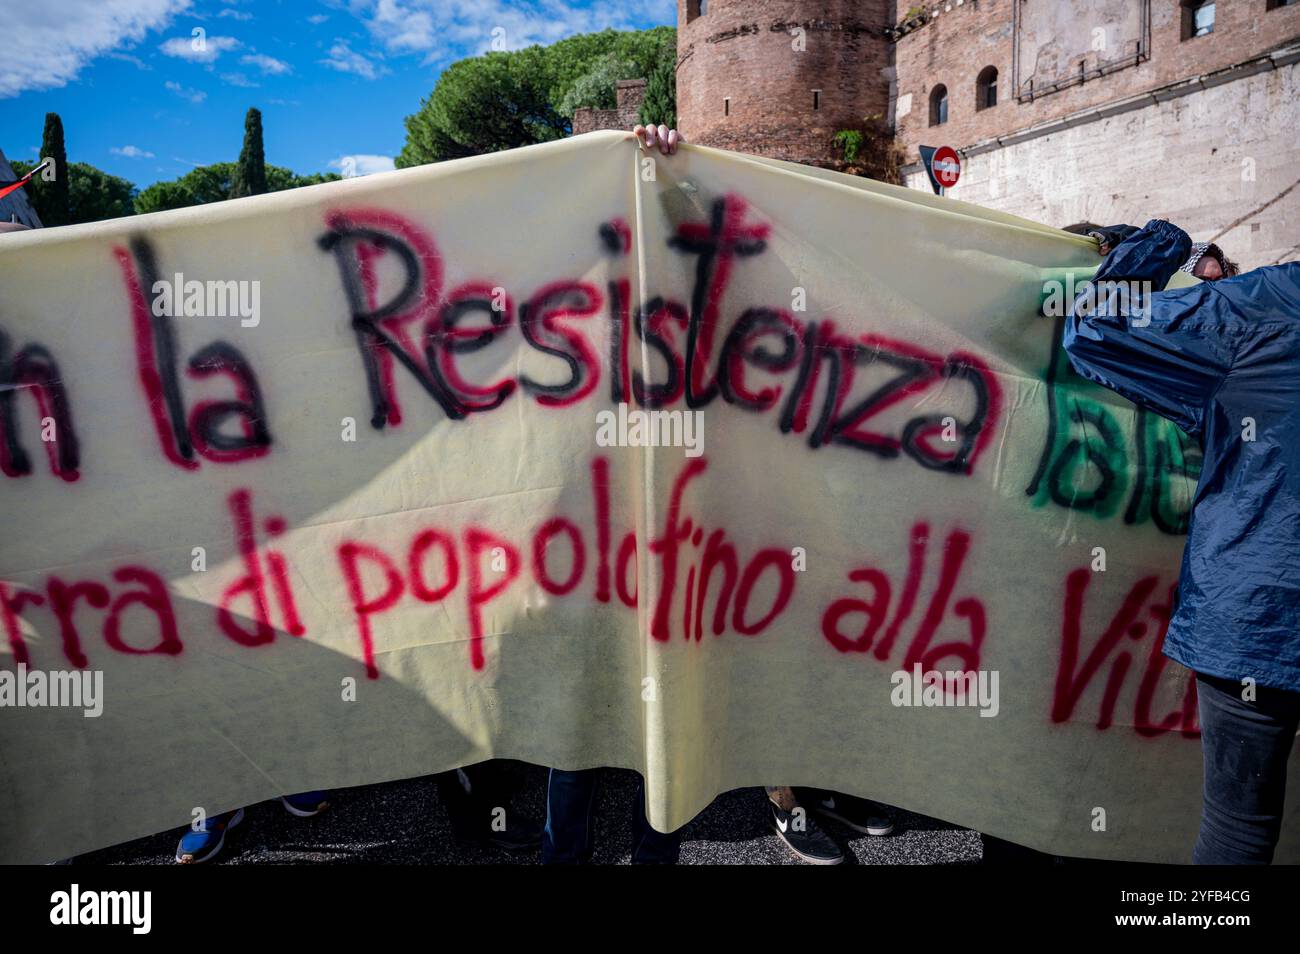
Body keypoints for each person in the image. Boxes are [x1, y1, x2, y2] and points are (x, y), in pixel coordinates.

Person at [634, 123, 897, 865]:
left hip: (807, 500)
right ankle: (772, 804)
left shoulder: (801, 286)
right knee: (723, 665)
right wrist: (655, 154)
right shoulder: (679, 287)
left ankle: (813, 788)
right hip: (704, 507)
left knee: (810, 654)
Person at [1063, 220, 1300, 864]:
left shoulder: (1272, 303)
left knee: (1237, 832)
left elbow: (1096, 329)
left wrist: (1166, 246)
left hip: (1259, 616)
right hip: (1260, 615)